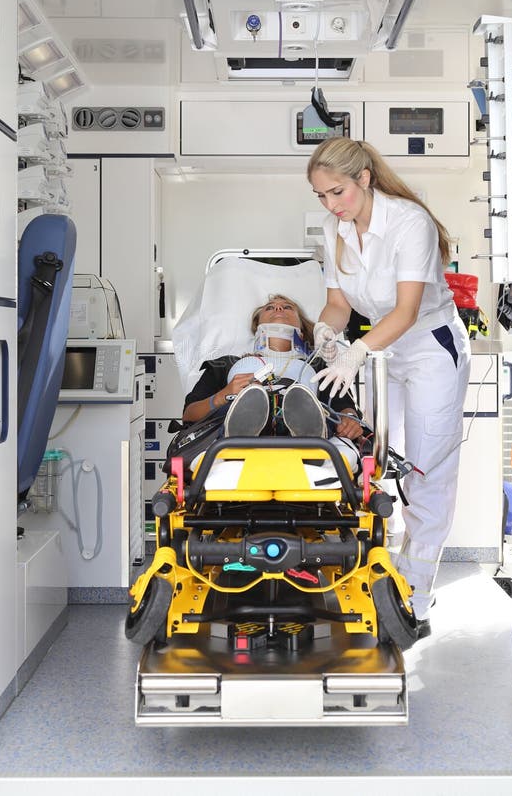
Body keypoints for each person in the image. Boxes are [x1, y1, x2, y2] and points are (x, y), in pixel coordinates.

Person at [307, 137, 471, 638]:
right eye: (322, 197)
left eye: (338, 192)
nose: (332, 205)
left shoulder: (408, 223)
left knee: (425, 471)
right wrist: (327, 332)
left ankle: (416, 597)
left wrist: (356, 352)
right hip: (384, 350)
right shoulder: (337, 230)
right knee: (379, 462)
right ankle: (382, 577)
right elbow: (339, 304)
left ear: (364, 178)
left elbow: (405, 311)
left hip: (427, 349)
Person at [182, 294, 363, 464]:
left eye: (287, 307)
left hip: (306, 422)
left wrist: (349, 420)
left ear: (301, 327)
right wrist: (224, 395)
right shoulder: (224, 365)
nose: (278, 309)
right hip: (233, 420)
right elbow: (189, 414)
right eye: (270, 308)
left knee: (305, 403)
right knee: (247, 403)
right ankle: (244, 424)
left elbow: (345, 409)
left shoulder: (319, 367)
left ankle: (307, 432)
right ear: (257, 326)